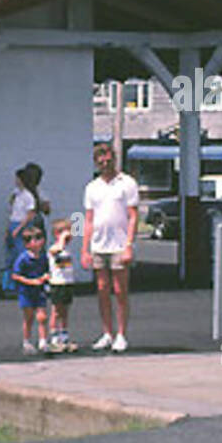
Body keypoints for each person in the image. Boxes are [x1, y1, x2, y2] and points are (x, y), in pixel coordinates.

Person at [81, 142, 140, 353]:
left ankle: (122, 334)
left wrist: (129, 245)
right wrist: (84, 249)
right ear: (96, 163)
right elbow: (88, 220)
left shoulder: (127, 183)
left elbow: (133, 216)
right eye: (101, 161)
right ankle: (107, 333)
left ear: (114, 159)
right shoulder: (92, 187)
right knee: (102, 289)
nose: (105, 164)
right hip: (98, 244)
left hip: (119, 244)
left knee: (120, 290)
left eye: (108, 160)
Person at [1, 163, 48, 293]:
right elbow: (12, 210)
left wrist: (20, 228)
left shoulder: (34, 194)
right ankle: (10, 285)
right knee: (11, 255)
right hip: (15, 222)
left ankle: (33, 282)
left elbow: (36, 211)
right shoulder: (17, 194)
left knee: (28, 253)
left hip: (29, 223)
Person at [10, 227, 50, 355]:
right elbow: (15, 275)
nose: (39, 242)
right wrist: (30, 281)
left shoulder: (43, 257)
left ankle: (43, 341)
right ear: (27, 244)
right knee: (29, 317)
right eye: (36, 239)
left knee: (42, 317)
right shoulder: (23, 258)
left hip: (39, 291)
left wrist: (45, 277)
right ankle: (27, 342)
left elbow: (47, 270)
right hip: (26, 292)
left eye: (40, 238)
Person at [46, 218, 78, 352]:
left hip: (67, 283)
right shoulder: (54, 248)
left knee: (65, 310)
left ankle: (64, 336)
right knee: (56, 311)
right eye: (65, 233)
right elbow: (56, 250)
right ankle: (54, 338)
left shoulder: (67, 250)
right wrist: (61, 240)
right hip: (57, 284)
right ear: (57, 234)